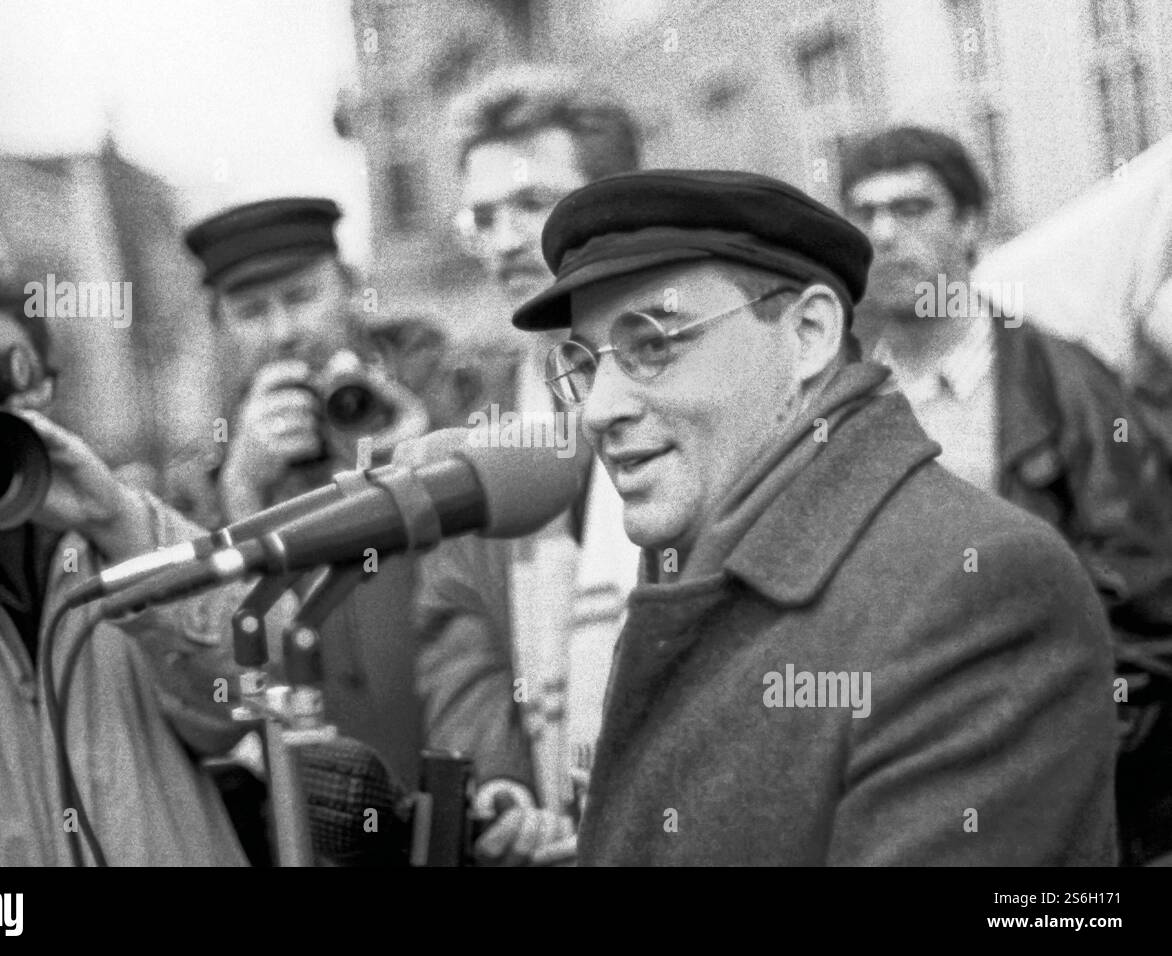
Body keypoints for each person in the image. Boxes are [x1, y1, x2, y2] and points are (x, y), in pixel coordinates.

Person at [512, 168, 1117, 865]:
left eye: (653, 344)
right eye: (584, 364)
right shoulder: (705, 558)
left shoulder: (980, 588)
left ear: (808, 332)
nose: (597, 409)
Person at [839, 126, 1172, 865]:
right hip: (886, 804)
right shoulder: (833, 411)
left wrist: (1051, 766)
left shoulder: (1067, 388)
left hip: (1050, 808)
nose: (885, 233)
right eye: (864, 213)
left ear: (970, 225)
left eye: (913, 207)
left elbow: (1151, 614)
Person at [0, 256, 248, 865]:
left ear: (45, 386)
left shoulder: (118, 537)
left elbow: (244, 702)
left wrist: (118, 520)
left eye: (12, 390)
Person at [412, 67, 642, 864]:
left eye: (533, 203)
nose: (505, 239)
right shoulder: (478, 421)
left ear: (617, 203)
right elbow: (457, 632)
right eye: (483, 216)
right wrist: (498, 788)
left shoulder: (706, 380)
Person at [178, 198, 435, 798]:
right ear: (218, 327)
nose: (283, 332)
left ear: (349, 287)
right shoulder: (202, 480)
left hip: (463, 778)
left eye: (300, 298)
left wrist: (424, 448)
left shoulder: (442, 383)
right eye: (249, 312)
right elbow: (213, 680)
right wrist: (240, 492)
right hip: (319, 809)